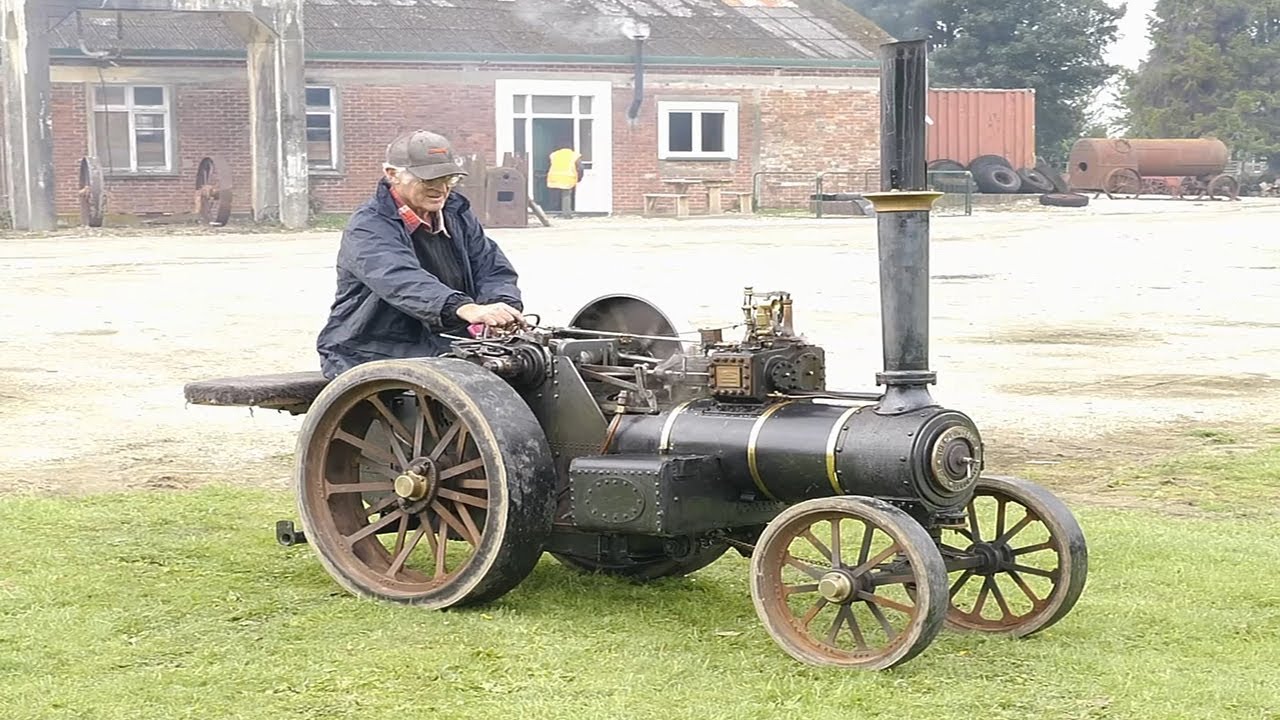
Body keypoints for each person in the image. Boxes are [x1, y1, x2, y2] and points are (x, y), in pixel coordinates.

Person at [316, 129, 525, 379]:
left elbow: (491, 267)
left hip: (445, 344)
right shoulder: (368, 226)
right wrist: (463, 308)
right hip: (372, 350)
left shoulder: (457, 214)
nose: (441, 189)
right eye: (428, 180)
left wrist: (501, 305)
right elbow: (400, 279)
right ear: (392, 174)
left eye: (448, 178)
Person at [546, 146, 584, 216]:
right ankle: (566, 214)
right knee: (566, 195)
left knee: (554, 196)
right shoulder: (574, 155)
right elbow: (580, 168)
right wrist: (579, 177)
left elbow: (549, 164)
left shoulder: (554, 155)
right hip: (567, 177)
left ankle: (552, 211)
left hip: (554, 177)